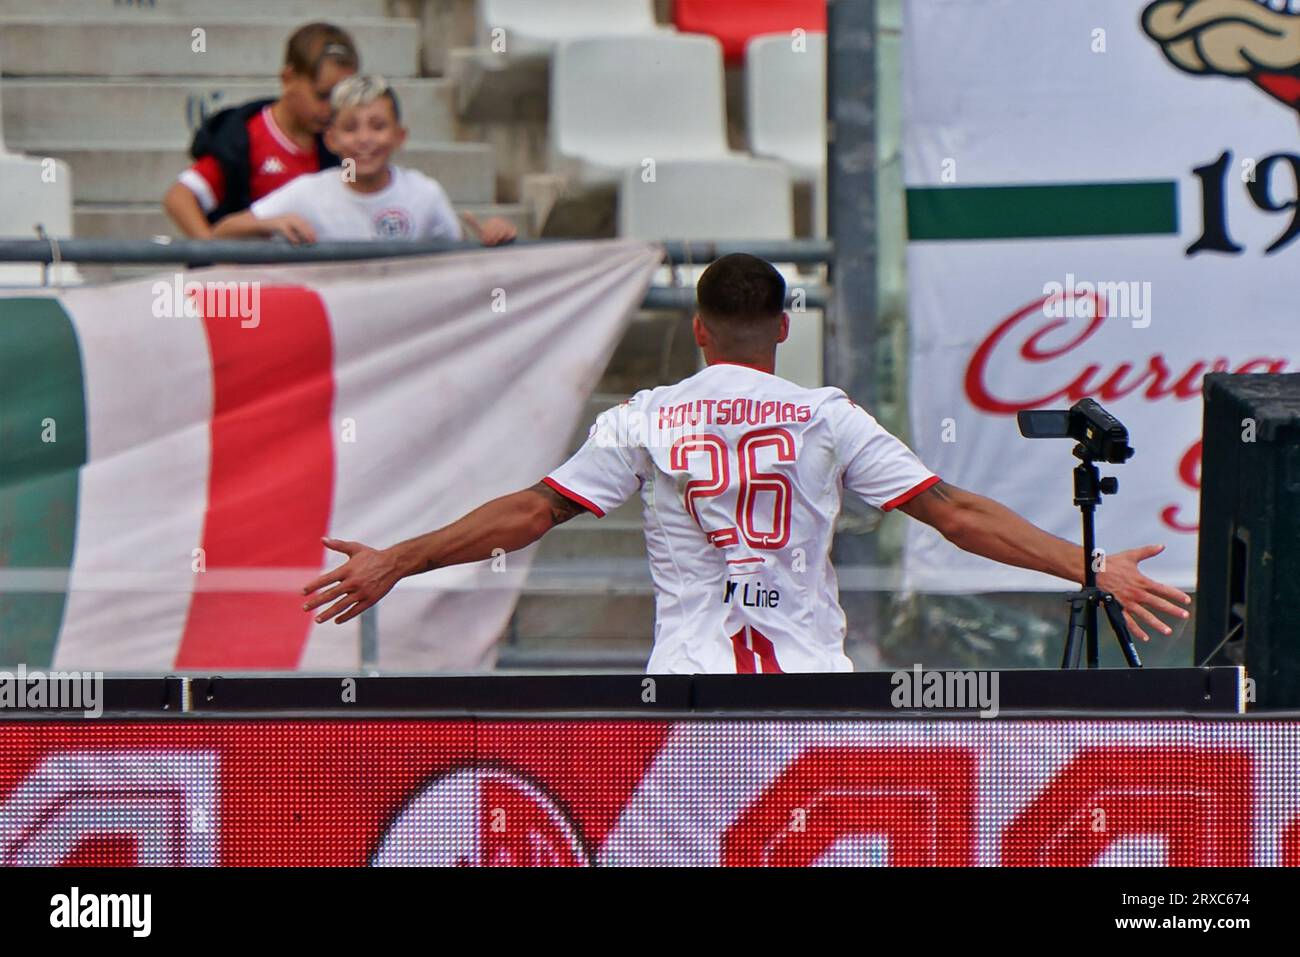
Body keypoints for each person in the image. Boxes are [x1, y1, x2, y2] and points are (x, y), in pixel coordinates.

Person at [301, 254, 1191, 673]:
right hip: (808, 684)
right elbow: (955, 512)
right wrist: (1088, 564)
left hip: (690, 682)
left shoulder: (648, 417)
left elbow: (529, 513)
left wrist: (396, 559)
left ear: (696, 329)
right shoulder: (824, 416)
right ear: (783, 328)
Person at [212, 75, 517, 246]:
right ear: (330, 139)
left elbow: (461, 258)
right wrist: (272, 222)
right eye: (350, 128)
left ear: (400, 135)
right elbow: (223, 232)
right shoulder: (307, 192)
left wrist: (492, 236)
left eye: (378, 126)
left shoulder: (425, 194)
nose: (364, 140)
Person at [163, 22, 360, 239]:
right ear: (288, 78)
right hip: (250, 269)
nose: (330, 109)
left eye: (340, 100)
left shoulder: (339, 144)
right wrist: (213, 254)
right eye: (322, 96)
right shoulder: (245, 136)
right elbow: (179, 198)